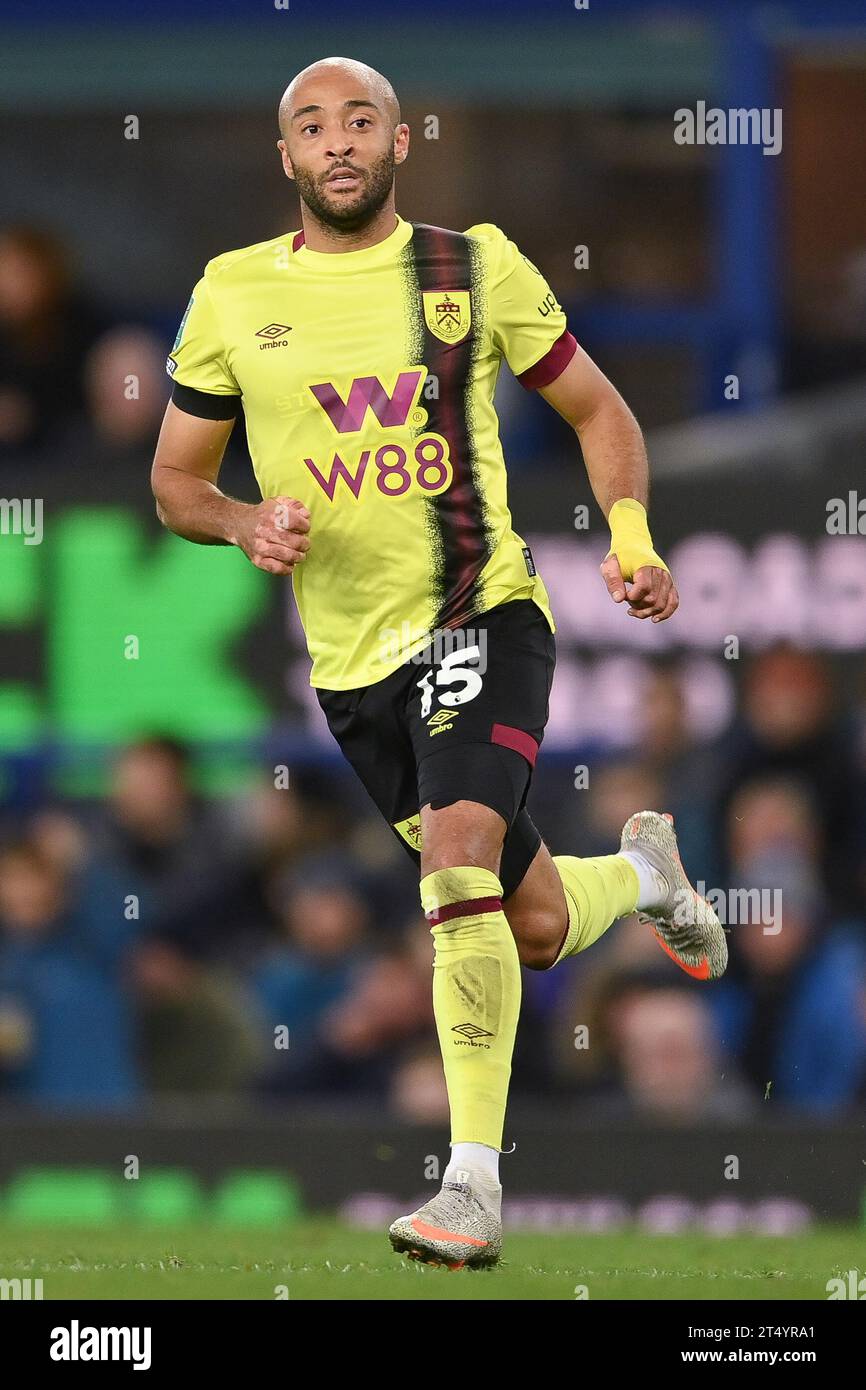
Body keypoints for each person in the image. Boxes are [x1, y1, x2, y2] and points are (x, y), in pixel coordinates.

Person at [150, 56, 727, 1268]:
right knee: (520, 918)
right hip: (353, 670)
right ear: (287, 158)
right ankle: (638, 874)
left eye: (359, 119)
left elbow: (600, 414)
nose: (338, 141)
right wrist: (243, 520)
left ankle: (468, 1185)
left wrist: (627, 536)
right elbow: (174, 479)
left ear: (400, 140)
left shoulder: (475, 265)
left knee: (456, 858)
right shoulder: (228, 293)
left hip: (478, 612)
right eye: (312, 126)